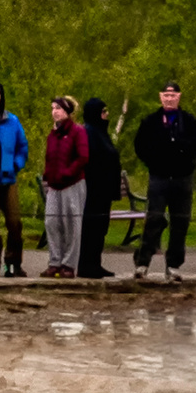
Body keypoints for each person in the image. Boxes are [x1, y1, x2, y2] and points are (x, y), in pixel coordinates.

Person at [131, 81, 196, 282]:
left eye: (173, 96)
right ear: (160, 97)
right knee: (154, 219)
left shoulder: (189, 121)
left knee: (180, 221)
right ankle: (142, 262)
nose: (169, 99)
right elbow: (140, 146)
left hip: (182, 177)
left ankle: (173, 265)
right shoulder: (151, 121)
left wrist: (179, 149)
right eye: (166, 96)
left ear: (179, 97)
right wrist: (155, 160)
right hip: (159, 177)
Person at [0, 81, 29, 277]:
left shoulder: (13, 121)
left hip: (9, 178)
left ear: (1, 96)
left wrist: (17, 164)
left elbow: (22, 146)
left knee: (15, 223)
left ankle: (12, 265)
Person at [41, 97, 89, 279]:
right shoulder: (52, 134)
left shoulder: (78, 131)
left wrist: (67, 173)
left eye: (59, 108)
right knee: (51, 222)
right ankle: (55, 262)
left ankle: (68, 264)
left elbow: (83, 157)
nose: (55, 112)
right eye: (53, 108)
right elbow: (49, 157)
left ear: (67, 112)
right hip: (54, 185)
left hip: (73, 183)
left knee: (72, 224)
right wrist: (48, 173)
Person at [78, 98, 121, 279]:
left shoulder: (102, 133)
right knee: (91, 227)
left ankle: (95, 262)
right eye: (103, 112)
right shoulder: (88, 133)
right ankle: (86, 264)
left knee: (100, 228)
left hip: (104, 191)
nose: (106, 115)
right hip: (93, 190)